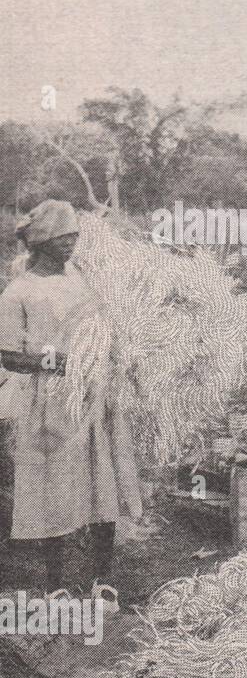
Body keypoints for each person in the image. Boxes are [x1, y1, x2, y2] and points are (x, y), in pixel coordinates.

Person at [0, 200, 141, 593]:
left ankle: (102, 579)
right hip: (50, 402)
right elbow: (8, 354)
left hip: (94, 398)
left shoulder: (81, 276)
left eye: (74, 237)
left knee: (102, 485)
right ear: (41, 242)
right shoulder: (19, 292)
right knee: (52, 491)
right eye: (62, 238)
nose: (70, 245)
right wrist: (55, 361)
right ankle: (56, 583)